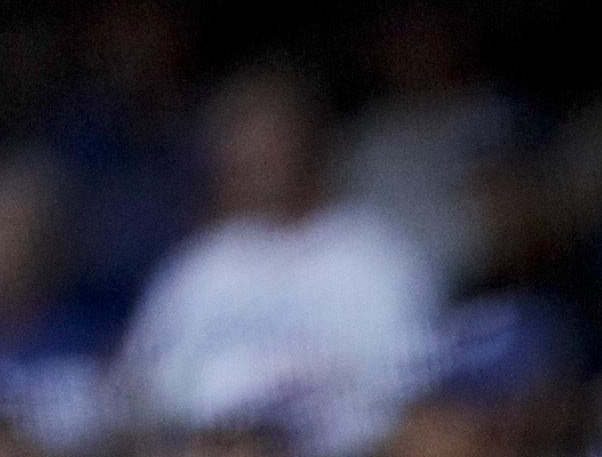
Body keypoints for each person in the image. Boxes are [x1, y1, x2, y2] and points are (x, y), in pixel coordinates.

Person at [116, 70, 438, 457]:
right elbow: (137, 399)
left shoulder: (376, 256)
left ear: (310, 144)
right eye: (241, 143)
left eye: (269, 142)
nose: (253, 158)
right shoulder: (199, 264)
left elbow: (412, 402)